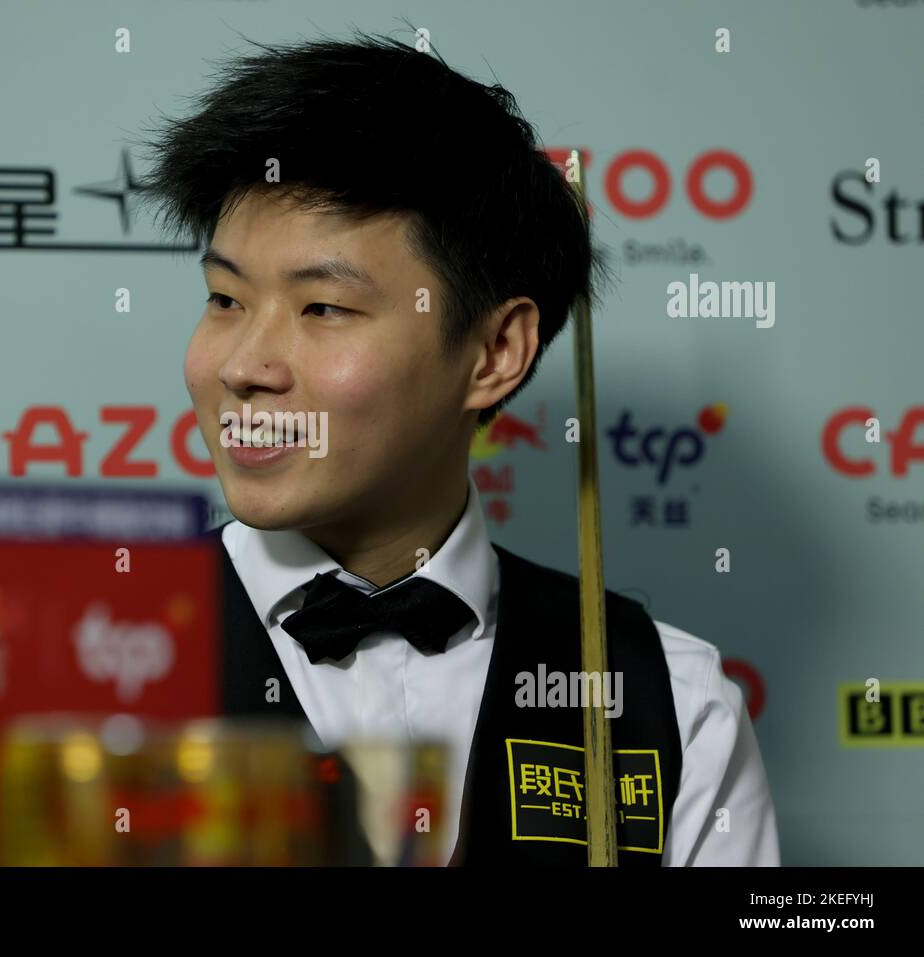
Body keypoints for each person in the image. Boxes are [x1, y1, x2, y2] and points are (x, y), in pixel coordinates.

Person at [137, 29, 780, 866]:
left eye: (322, 308)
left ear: (494, 352)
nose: (241, 367)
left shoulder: (671, 698)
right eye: (224, 298)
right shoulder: (101, 648)